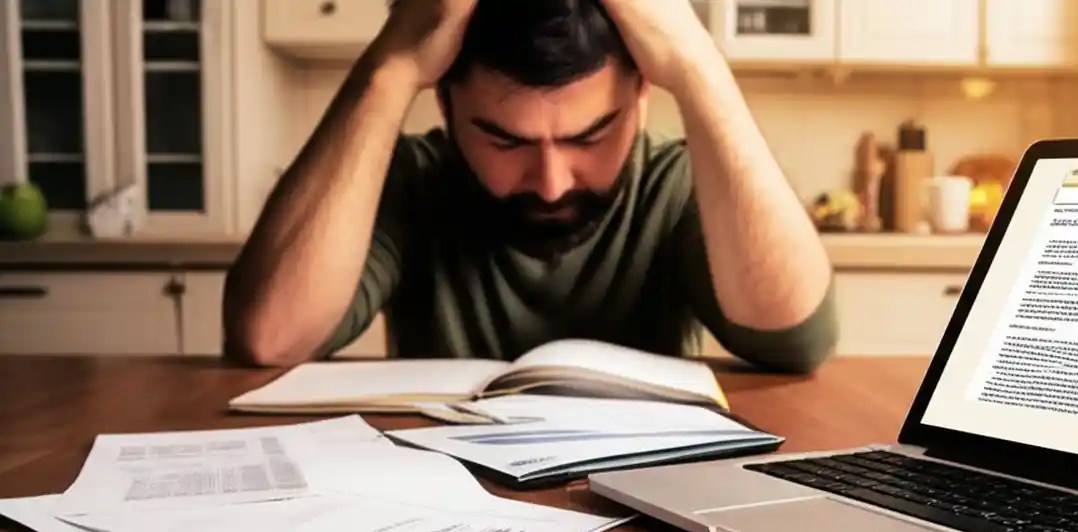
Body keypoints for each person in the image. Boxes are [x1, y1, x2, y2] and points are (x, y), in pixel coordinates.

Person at [223, 0, 837, 372]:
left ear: (641, 94)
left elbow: (795, 340)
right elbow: (271, 338)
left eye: (591, 137)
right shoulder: (412, 183)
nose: (549, 184)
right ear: (445, 103)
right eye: (506, 140)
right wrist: (392, 67)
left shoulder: (672, 186)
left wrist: (697, 62)